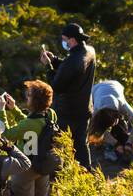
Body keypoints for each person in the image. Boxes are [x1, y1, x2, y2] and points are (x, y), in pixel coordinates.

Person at [0, 79, 61, 196]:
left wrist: (1, 111)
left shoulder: (28, 125)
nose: (27, 96)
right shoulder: (51, 114)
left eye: (29, 94)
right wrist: (14, 110)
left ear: (34, 101)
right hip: (42, 165)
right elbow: (30, 124)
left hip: (24, 169)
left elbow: (7, 134)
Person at [40, 23, 96, 169]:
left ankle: (60, 176)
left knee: (61, 146)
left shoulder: (72, 61)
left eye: (64, 39)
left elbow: (55, 86)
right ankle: (87, 175)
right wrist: (55, 60)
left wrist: (47, 65)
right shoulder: (90, 51)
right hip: (84, 109)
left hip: (67, 112)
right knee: (81, 145)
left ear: (72, 40)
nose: (63, 41)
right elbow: (72, 71)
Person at [88, 80, 133, 166]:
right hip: (95, 90)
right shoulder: (95, 110)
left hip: (115, 86)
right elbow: (95, 129)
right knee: (97, 131)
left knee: (120, 126)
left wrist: (130, 143)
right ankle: (107, 146)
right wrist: (115, 144)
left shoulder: (121, 104)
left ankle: (120, 138)